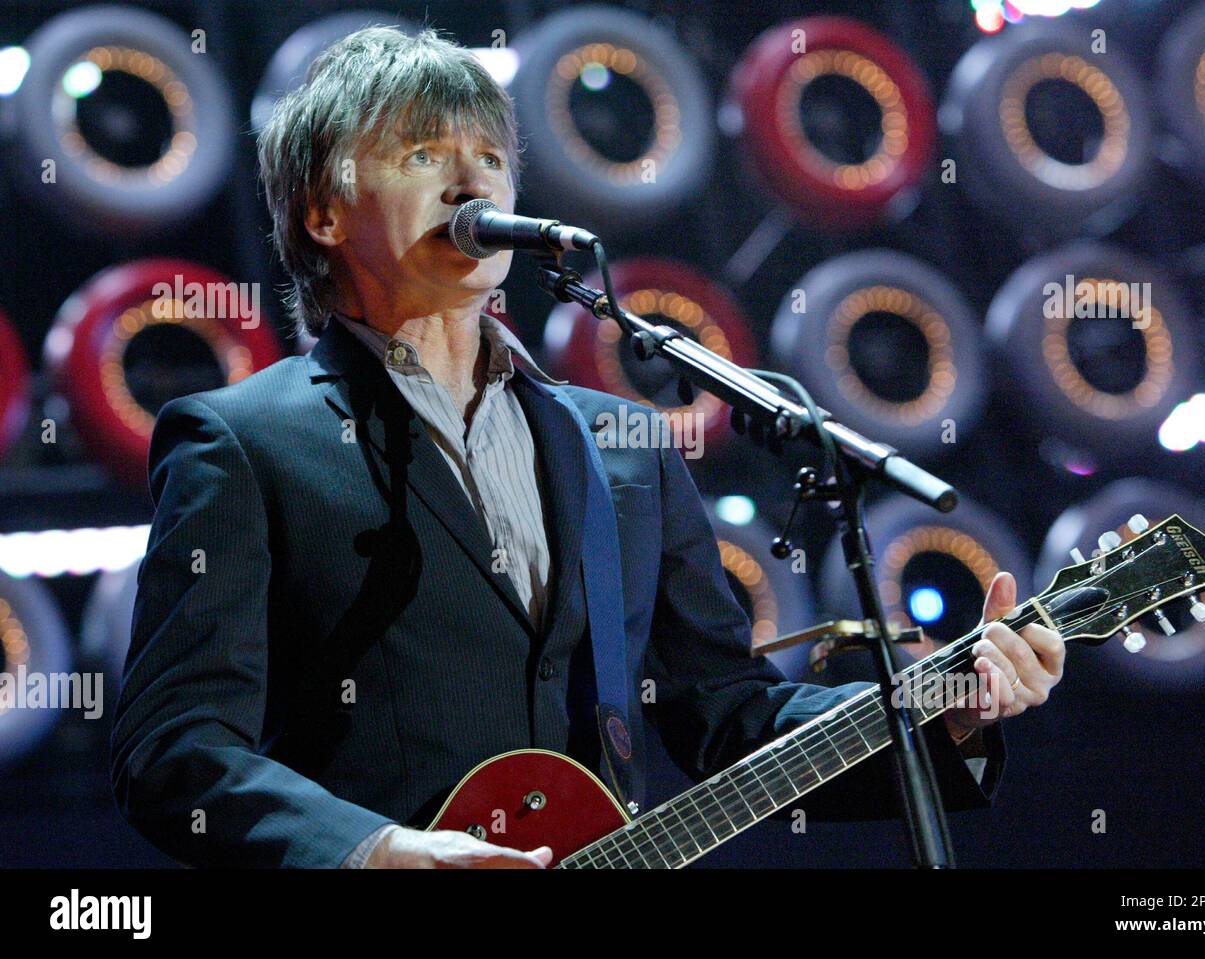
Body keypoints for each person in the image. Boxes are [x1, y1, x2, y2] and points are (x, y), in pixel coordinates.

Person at [110, 26, 1064, 869]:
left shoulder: (622, 445)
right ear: (323, 214)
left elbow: (729, 718)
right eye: (422, 152)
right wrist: (368, 849)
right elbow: (176, 745)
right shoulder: (242, 440)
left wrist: (948, 708)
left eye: (490, 155)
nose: (471, 179)